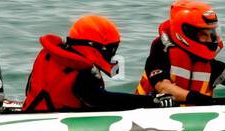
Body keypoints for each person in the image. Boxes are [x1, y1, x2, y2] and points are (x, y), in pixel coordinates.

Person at [24, 15, 166, 112]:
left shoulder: (49, 55)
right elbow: (100, 100)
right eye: (111, 49)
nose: (112, 55)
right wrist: (150, 102)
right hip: (53, 126)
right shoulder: (81, 70)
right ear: (96, 48)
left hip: (34, 113)